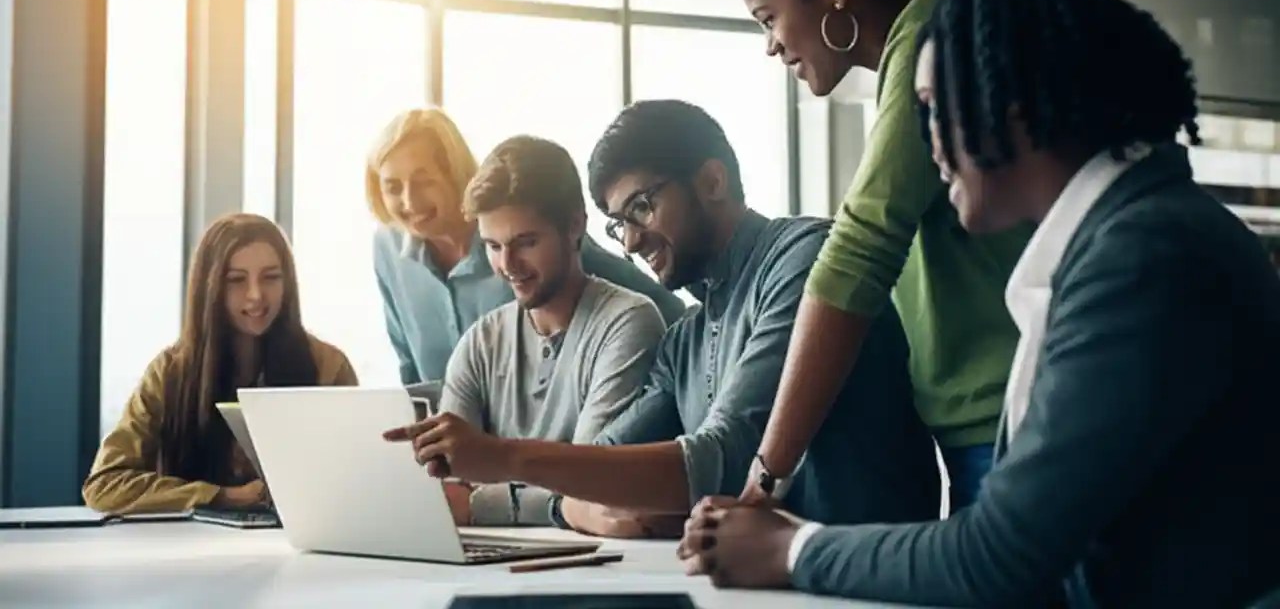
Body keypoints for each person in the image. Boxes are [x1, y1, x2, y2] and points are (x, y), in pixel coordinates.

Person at [680, 0, 1280, 608]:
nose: (927, 141)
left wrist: (788, 548)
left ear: (1010, 104)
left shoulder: (1141, 257)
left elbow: (999, 557)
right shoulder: (1122, 238)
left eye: (934, 108)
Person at [384, 100, 939, 538]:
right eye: (617, 223)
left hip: (867, 583)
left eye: (641, 208)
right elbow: (600, 462)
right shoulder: (684, 342)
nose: (629, 239)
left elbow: (720, 457)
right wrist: (562, 502)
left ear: (712, 182)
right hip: (771, 584)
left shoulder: (801, 259)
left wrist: (503, 457)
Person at [733, 0, 1033, 509]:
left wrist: (763, 483)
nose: (770, 45)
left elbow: (859, 250)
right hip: (986, 429)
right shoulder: (909, 60)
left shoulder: (933, 30)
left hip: (1016, 423)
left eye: (768, 17)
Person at [428, 135, 666, 526]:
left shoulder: (628, 322)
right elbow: (449, 480)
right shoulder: (481, 341)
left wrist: (481, 504)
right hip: (495, 555)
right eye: (492, 245)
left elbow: (591, 479)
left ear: (574, 226)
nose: (507, 265)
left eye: (526, 242)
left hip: (595, 560)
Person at [369, 108, 686, 388]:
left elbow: (664, 311)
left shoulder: (535, 231)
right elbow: (409, 367)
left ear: (454, 173)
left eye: (424, 182)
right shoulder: (388, 250)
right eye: (392, 187)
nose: (409, 203)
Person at [84, 214, 358, 514]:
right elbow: (105, 485)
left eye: (271, 277)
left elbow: (357, 477)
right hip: (184, 549)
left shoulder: (328, 366)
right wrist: (222, 496)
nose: (256, 295)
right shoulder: (171, 372)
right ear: (210, 287)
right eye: (236, 280)